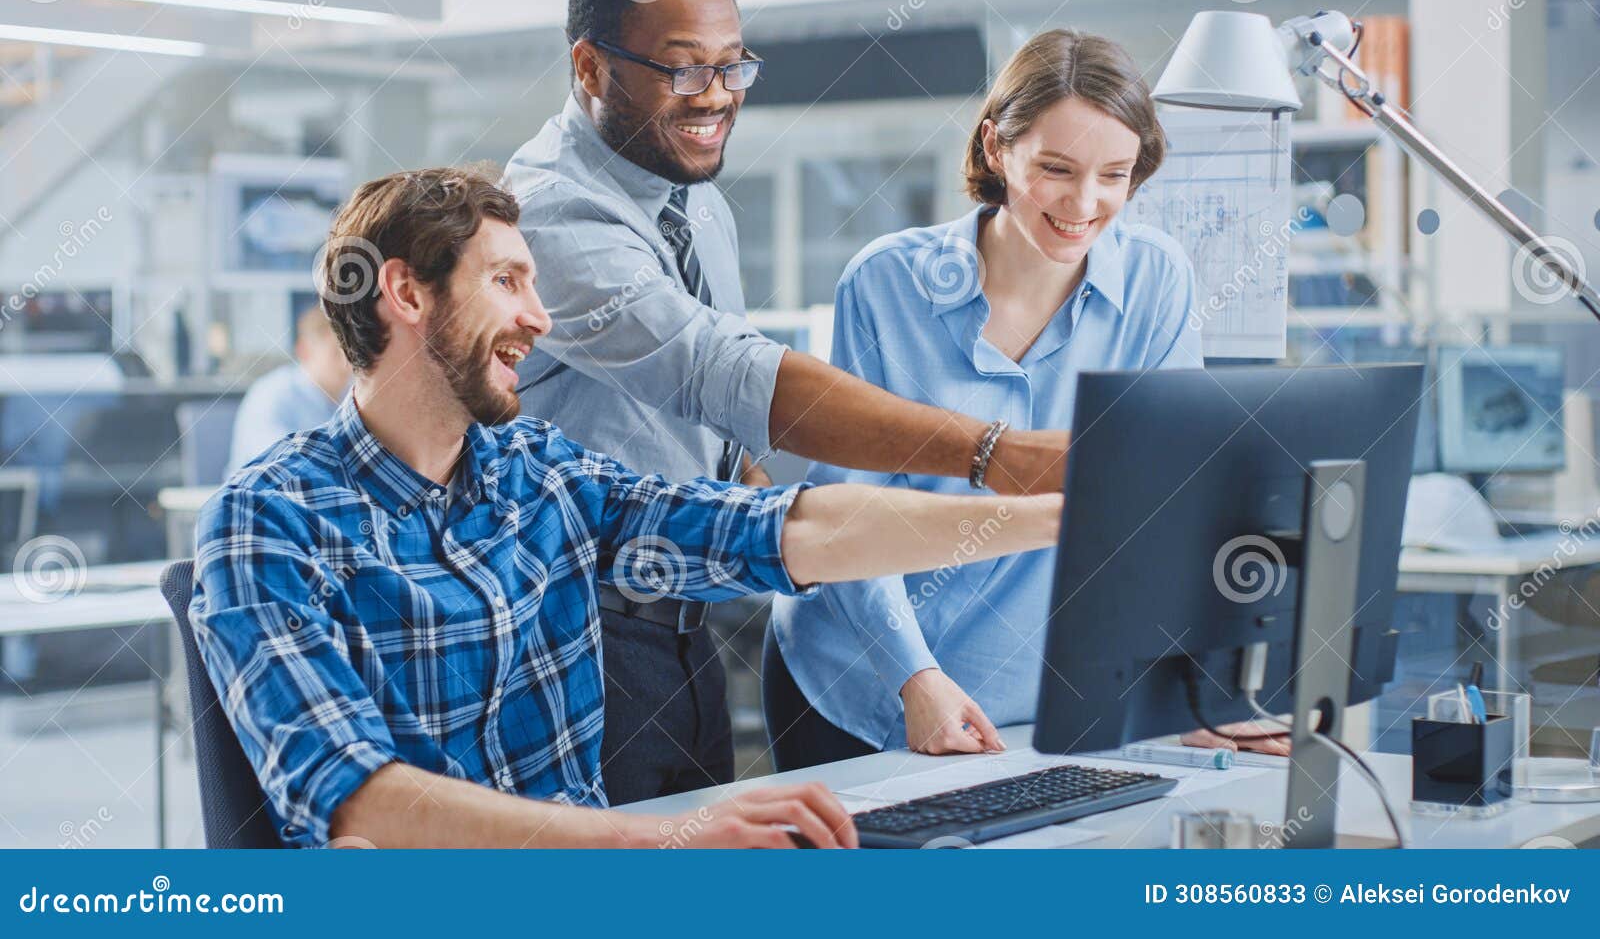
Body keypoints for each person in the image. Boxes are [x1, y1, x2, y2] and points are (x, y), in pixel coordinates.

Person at [188, 165, 1065, 849]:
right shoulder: (268, 521)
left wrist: (1056, 513)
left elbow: (779, 531)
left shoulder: (536, 471)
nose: (539, 317)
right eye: (507, 281)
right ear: (407, 293)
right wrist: (659, 842)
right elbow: (363, 800)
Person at [501, 0, 1069, 804]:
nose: (720, 95)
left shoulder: (695, 201)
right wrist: (990, 452)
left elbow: (741, 442)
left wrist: (896, 641)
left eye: (733, 65)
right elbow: (728, 377)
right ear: (590, 67)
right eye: (685, 69)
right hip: (578, 642)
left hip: (689, 632)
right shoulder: (553, 215)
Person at [766, 29, 1288, 769]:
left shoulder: (1155, 280)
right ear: (994, 149)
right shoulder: (889, 284)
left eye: (1115, 173)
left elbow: (1165, 504)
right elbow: (853, 508)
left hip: (1035, 699)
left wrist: (1193, 690)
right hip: (867, 677)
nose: (1086, 202)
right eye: (1056, 169)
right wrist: (914, 678)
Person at [225, 306, 350, 476]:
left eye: (351, 354)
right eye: (336, 353)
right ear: (305, 351)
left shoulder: (351, 394)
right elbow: (284, 465)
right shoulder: (272, 394)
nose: (347, 364)